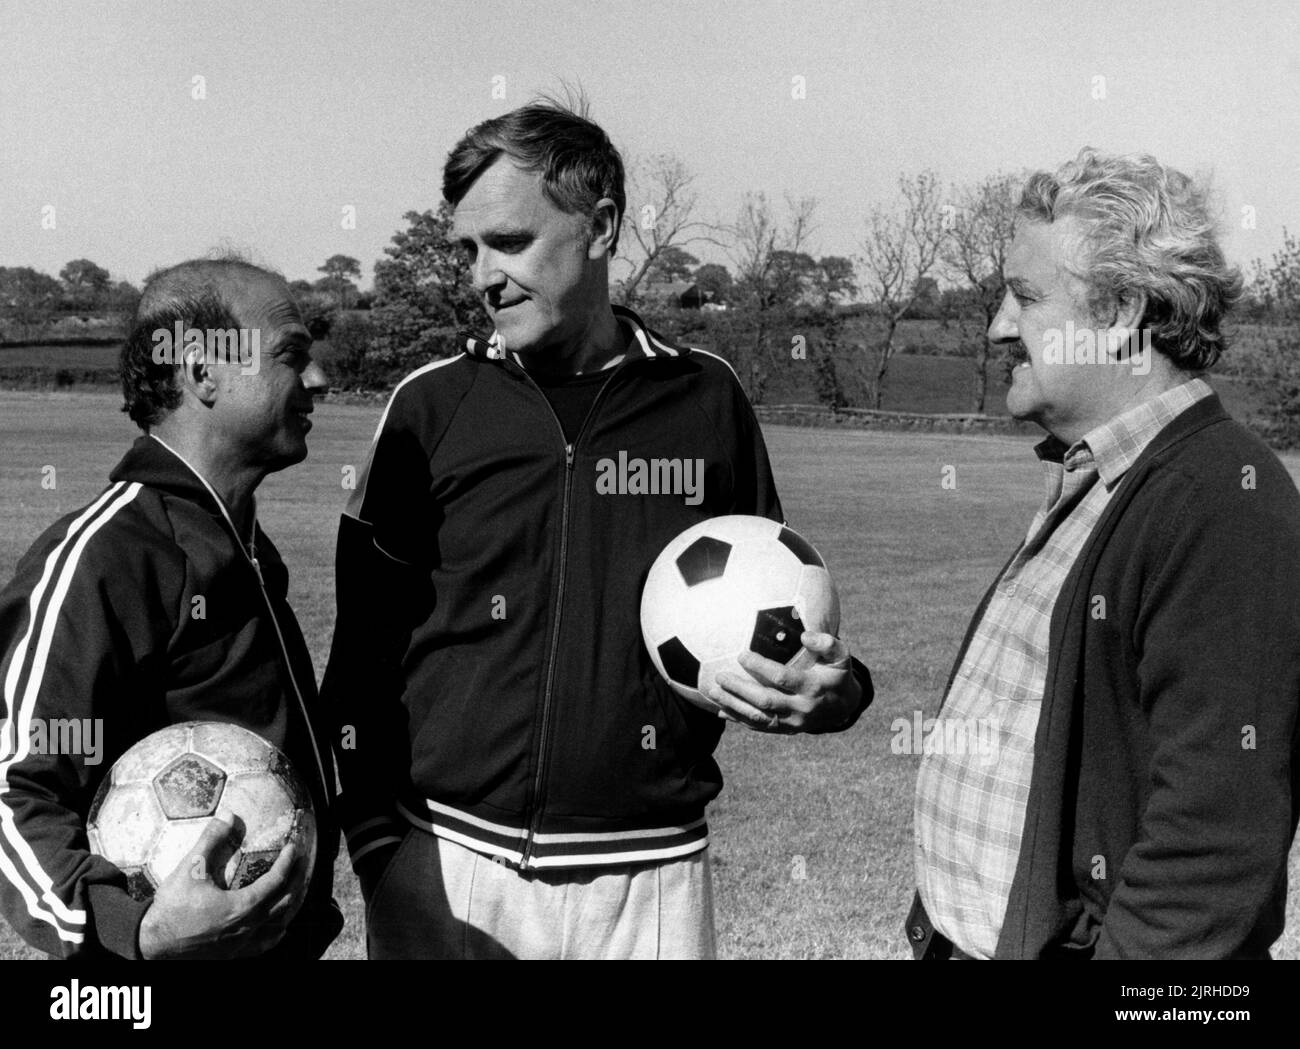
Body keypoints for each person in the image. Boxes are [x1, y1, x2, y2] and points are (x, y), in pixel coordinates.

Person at [323, 100, 873, 959]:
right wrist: (379, 850)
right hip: (446, 865)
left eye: (508, 242)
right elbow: (359, 657)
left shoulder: (704, 399)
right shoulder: (429, 406)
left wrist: (842, 691)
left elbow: (781, 614)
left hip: (648, 879)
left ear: (602, 226)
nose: (481, 276)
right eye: (466, 250)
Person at [908, 148, 1300, 960]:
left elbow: (1211, 849)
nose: (997, 326)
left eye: (1025, 297)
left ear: (1121, 311)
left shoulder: (1223, 498)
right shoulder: (1102, 474)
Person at [0, 257, 342, 959]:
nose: (319, 379)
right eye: (291, 356)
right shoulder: (110, 553)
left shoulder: (245, 545)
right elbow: (13, 784)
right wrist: (140, 929)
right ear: (202, 371)